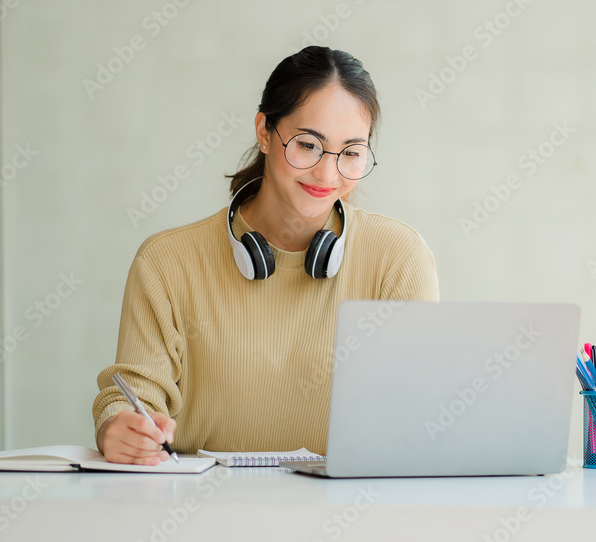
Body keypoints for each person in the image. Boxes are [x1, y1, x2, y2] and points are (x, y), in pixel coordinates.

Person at [92, 46, 439, 465]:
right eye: (308, 145)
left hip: (343, 514)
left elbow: (415, 414)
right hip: (200, 512)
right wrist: (122, 426)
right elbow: (135, 397)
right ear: (263, 131)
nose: (328, 175)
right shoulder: (167, 262)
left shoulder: (397, 259)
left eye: (350, 153)